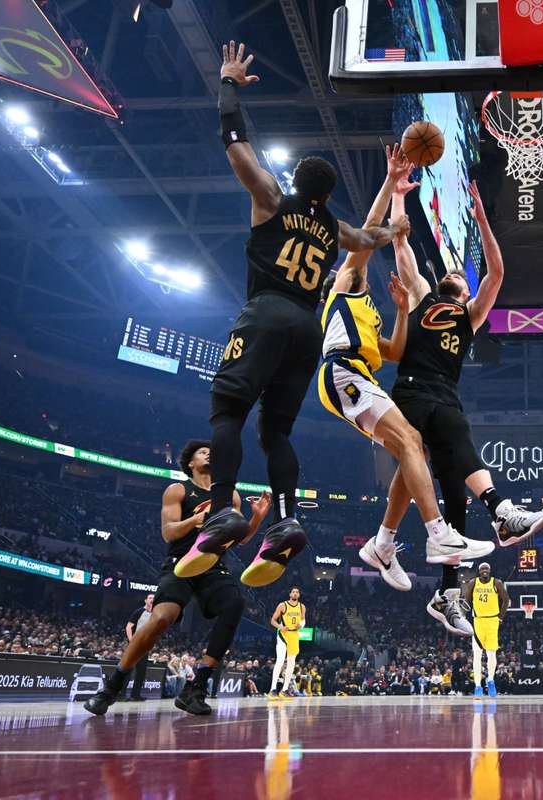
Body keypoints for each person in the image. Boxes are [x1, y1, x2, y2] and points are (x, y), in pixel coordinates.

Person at [179, 41, 406, 589]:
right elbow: (367, 237)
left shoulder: (271, 199)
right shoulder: (333, 229)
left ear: (296, 184)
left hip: (265, 314)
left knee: (227, 413)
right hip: (308, 330)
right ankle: (283, 521)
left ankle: (220, 514)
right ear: (327, 197)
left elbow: (236, 145)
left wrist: (228, 84)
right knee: (275, 431)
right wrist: (396, 226)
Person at [367, 180, 543, 632]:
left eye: (460, 277)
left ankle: (448, 593)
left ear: (465, 292)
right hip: (412, 390)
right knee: (429, 462)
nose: (454, 275)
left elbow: (496, 276)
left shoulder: (470, 316)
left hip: (444, 393)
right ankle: (501, 510)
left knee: (450, 494)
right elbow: (401, 241)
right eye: (451, 274)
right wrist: (399, 193)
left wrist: (485, 222)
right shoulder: (424, 294)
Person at [316, 145, 494, 597]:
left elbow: (394, 349)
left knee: (413, 450)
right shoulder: (346, 283)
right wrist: (391, 184)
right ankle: (435, 533)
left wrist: (398, 310)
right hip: (342, 372)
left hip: (359, 376)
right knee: (413, 442)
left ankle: (384, 543)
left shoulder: (369, 311)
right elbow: (368, 233)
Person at [84, 440, 269, 717]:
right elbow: (168, 533)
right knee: (160, 618)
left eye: (212, 451)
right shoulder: (178, 490)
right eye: (203, 452)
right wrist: (194, 521)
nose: (210, 453)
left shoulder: (231, 496)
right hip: (180, 562)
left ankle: (196, 688)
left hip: (213, 564)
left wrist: (255, 519)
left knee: (234, 604)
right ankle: (112, 687)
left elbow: (237, 540)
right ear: (191, 463)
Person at [463, 562, 509, 698]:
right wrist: (462, 618)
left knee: (491, 654)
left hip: (492, 620)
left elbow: (506, 600)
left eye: (486, 569)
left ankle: (490, 680)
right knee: (476, 655)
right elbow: (466, 602)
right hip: (478, 621)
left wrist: (500, 617)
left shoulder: (497, 583)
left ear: (490, 570)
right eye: (482, 569)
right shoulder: (473, 583)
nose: (484, 571)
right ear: (479, 571)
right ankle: (477, 686)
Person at [269, 586, 305, 698]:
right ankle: (273, 689)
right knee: (280, 660)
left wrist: (302, 625)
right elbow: (272, 620)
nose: (295, 594)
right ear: (290, 594)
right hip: (283, 634)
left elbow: (303, 620)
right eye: (293, 592)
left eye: (297, 592)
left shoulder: (302, 607)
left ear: (299, 595)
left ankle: (284, 690)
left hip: (294, 635)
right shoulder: (282, 605)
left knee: (291, 664)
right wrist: (280, 627)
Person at [123, 593, 155, 701]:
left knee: (141, 672)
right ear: (145, 600)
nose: (152, 600)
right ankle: (122, 694)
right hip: (134, 644)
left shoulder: (155, 614)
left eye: (153, 599)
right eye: (150, 598)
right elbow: (129, 627)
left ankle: (135, 695)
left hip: (144, 646)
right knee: (128, 670)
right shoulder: (139, 612)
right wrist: (131, 641)